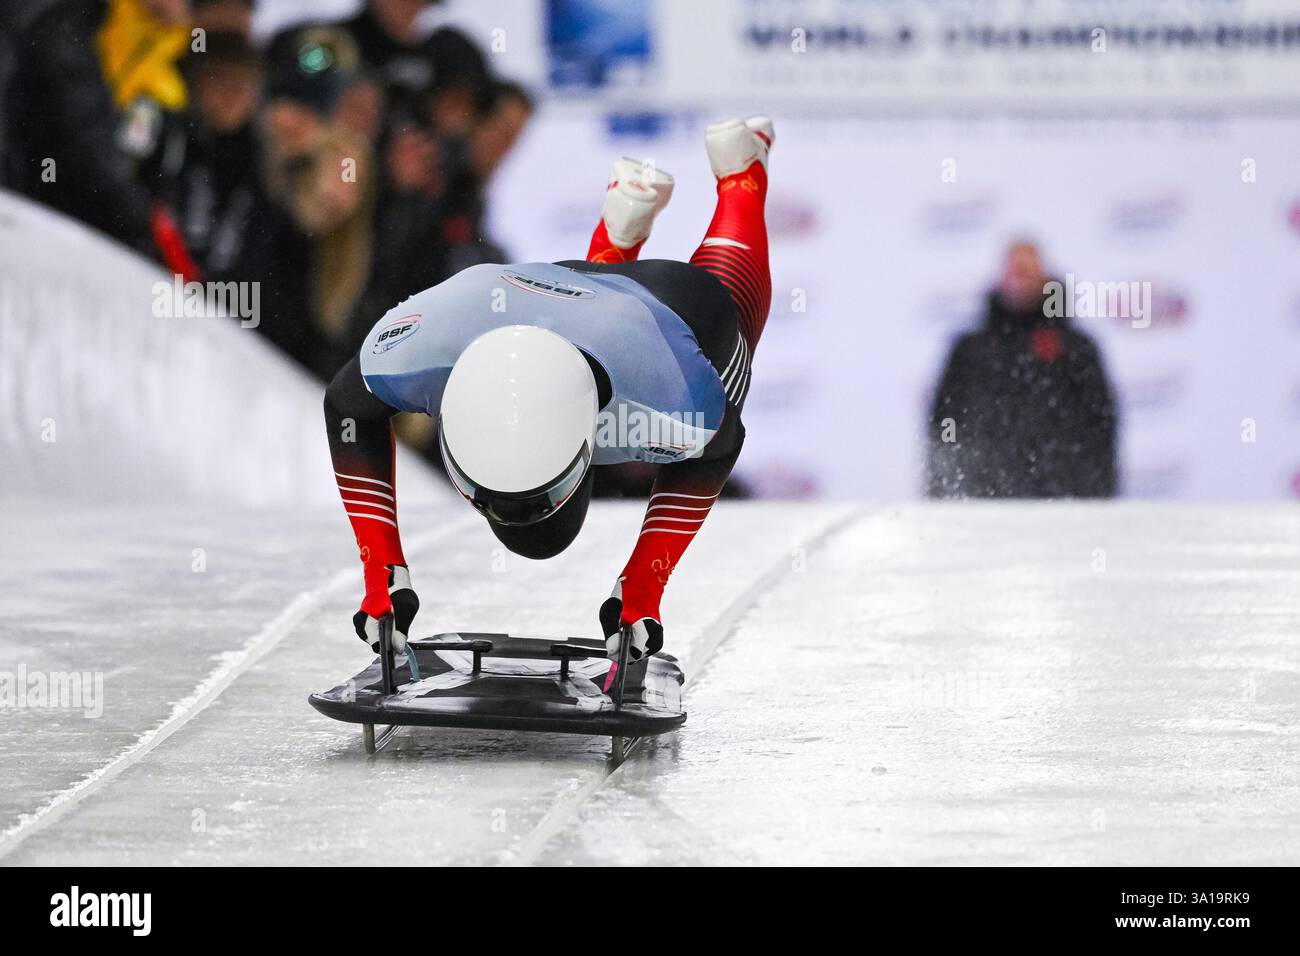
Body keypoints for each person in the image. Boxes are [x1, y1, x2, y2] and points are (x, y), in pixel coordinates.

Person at [324, 116, 774, 675]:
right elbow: (345, 406)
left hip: (657, 308)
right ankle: (619, 235)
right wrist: (381, 568)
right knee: (594, 314)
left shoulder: (667, 393)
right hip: (560, 300)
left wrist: (643, 587)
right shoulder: (417, 355)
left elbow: (719, 446)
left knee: (735, 317)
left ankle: (741, 174)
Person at [926, 240, 1119, 498]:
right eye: (1015, 271)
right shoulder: (970, 349)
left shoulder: (1076, 349)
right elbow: (945, 418)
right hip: (984, 498)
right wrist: (948, 473)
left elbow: (1101, 423)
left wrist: (1097, 488)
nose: (1020, 279)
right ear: (1002, 278)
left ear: (1045, 278)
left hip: (1063, 498)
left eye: (1027, 271)